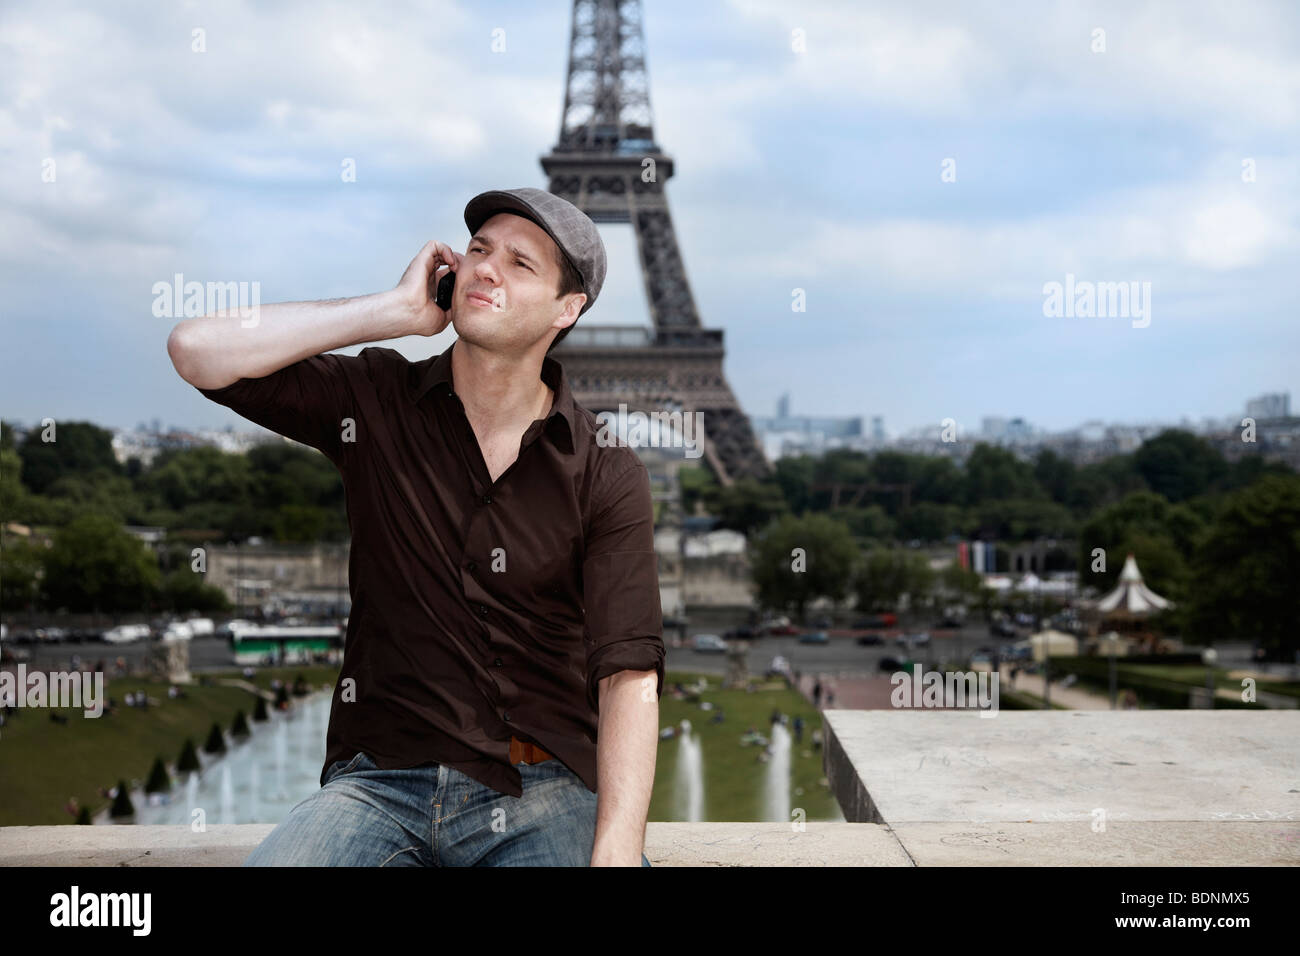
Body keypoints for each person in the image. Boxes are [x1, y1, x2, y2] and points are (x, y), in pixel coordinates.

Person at [170, 188, 658, 868]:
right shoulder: (374, 401)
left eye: (521, 264)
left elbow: (628, 676)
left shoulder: (605, 471)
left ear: (567, 309)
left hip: (541, 786)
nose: (487, 268)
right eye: (479, 250)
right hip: (378, 784)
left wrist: (617, 853)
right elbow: (195, 349)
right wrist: (391, 312)